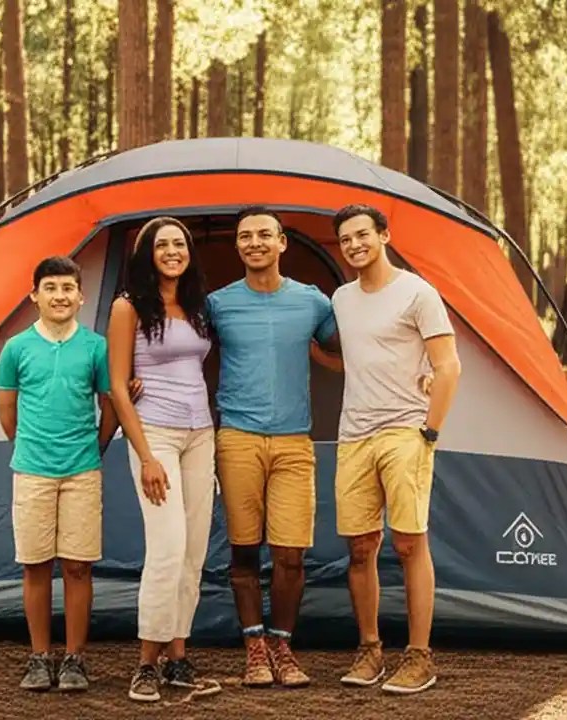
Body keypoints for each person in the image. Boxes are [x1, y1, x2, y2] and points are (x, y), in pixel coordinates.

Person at [329, 204, 461, 696]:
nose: (355, 244)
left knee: (409, 543)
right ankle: (370, 649)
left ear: (384, 235)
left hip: (405, 432)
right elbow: (354, 356)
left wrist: (429, 431)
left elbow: (448, 365)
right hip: (354, 434)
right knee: (360, 547)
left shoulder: (418, 293)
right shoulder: (342, 299)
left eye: (363, 234)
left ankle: (420, 656)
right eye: (345, 239)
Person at [207, 206, 340, 688]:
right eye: (246, 236)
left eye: (265, 234)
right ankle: (254, 649)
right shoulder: (218, 305)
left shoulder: (312, 303)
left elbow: (351, 347)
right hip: (237, 438)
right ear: (238, 246)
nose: (255, 243)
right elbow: (179, 351)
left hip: (293, 442)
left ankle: (282, 645)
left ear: (283, 243)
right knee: (244, 552)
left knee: (290, 555)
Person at [0, 255, 119, 693]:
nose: (60, 296)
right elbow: (7, 413)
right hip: (31, 471)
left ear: (81, 297)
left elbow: (110, 407)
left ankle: (74, 659)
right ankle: (38, 657)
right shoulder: (16, 349)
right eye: (50, 288)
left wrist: (96, 448)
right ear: (35, 296)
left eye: (68, 288)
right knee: (35, 565)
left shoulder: (96, 347)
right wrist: (30, 448)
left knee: (79, 566)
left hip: (83, 470)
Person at [107, 217, 218, 703]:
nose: (172, 251)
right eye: (162, 245)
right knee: (167, 549)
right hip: (156, 435)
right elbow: (117, 385)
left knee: (193, 553)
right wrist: (145, 455)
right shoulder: (127, 307)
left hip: (201, 434)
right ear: (147, 254)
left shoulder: (196, 306)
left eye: (180, 244)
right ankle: (146, 665)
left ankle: (178, 657)